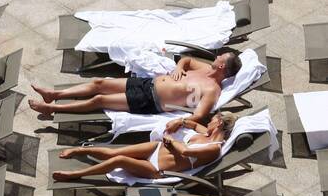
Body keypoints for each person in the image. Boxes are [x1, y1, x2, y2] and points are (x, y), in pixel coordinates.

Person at [30, 50, 242, 122]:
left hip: (150, 101)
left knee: (100, 100)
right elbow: (186, 60)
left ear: (222, 65)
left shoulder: (212, 90)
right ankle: (54, 94)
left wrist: (178, 117)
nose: (217, 55)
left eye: (221, 55)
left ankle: (52, 108)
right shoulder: (204, 68)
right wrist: (178, 66)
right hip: (147, 83)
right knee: (99, 83)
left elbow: (199, 115)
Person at [51, 115, 233, 183]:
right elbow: (193, 124)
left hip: (158, 169)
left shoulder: (213, 148)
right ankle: (81, 151)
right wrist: (181, 121)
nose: (208, 122)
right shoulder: (207, 135)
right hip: (157, 147)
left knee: (118, 161)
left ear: (217, 124)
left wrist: (170, 140)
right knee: (116, 152)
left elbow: (186, 152)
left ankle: (76, 175)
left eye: (211, 120)